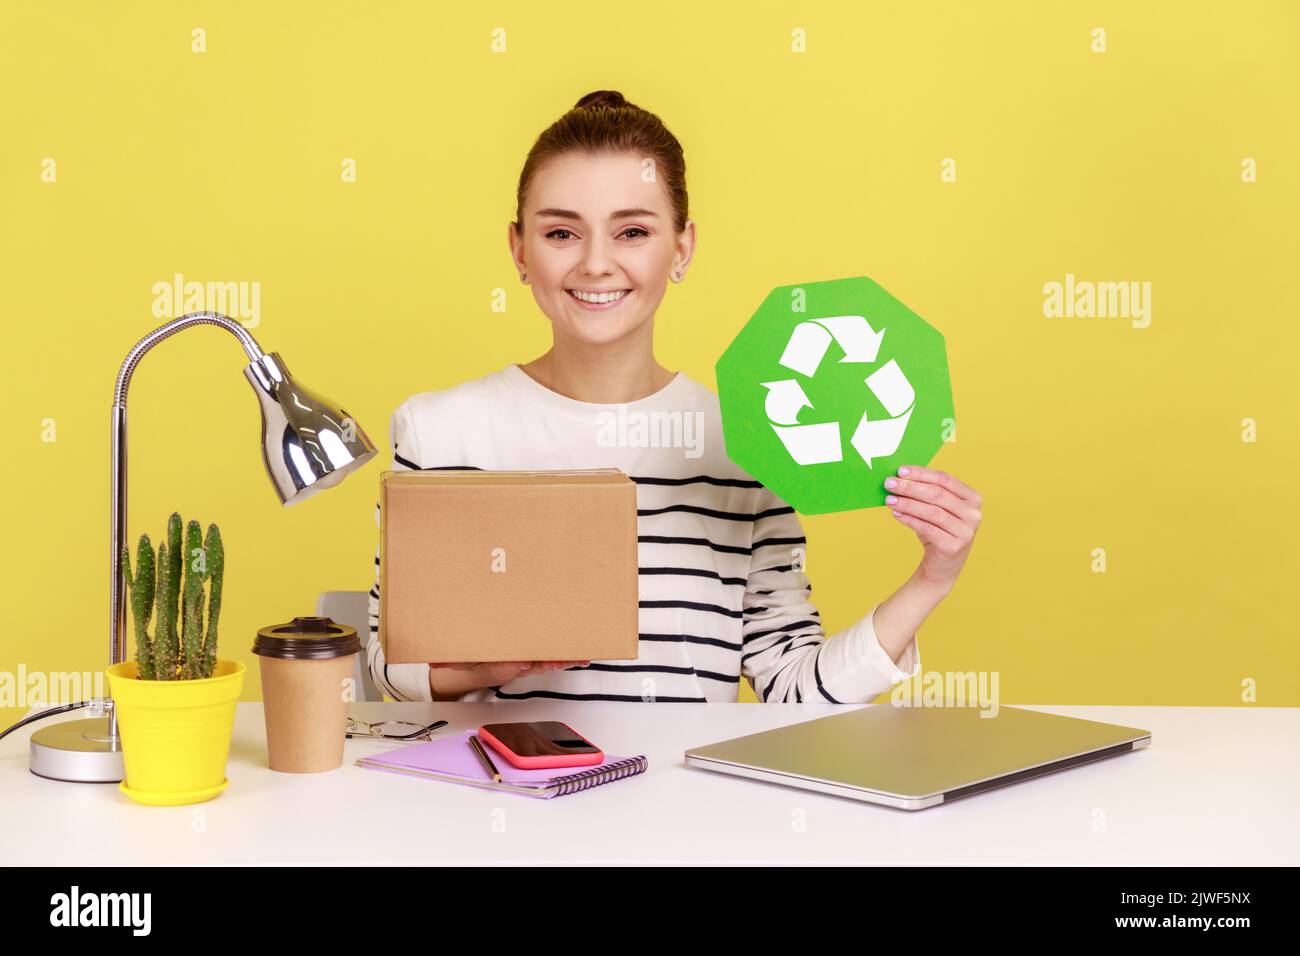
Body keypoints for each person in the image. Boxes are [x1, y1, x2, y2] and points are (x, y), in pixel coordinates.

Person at [367, 89, 982, 703]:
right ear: (519, 251)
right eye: (561, 233)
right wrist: (491, 665)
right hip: (493, 792)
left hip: (682, 799)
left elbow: (794, 692)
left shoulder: (749, 442)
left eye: (631, 231)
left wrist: (933, 578)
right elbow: (387, 670)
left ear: (681, 249)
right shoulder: (438, 433)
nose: (596, 264)